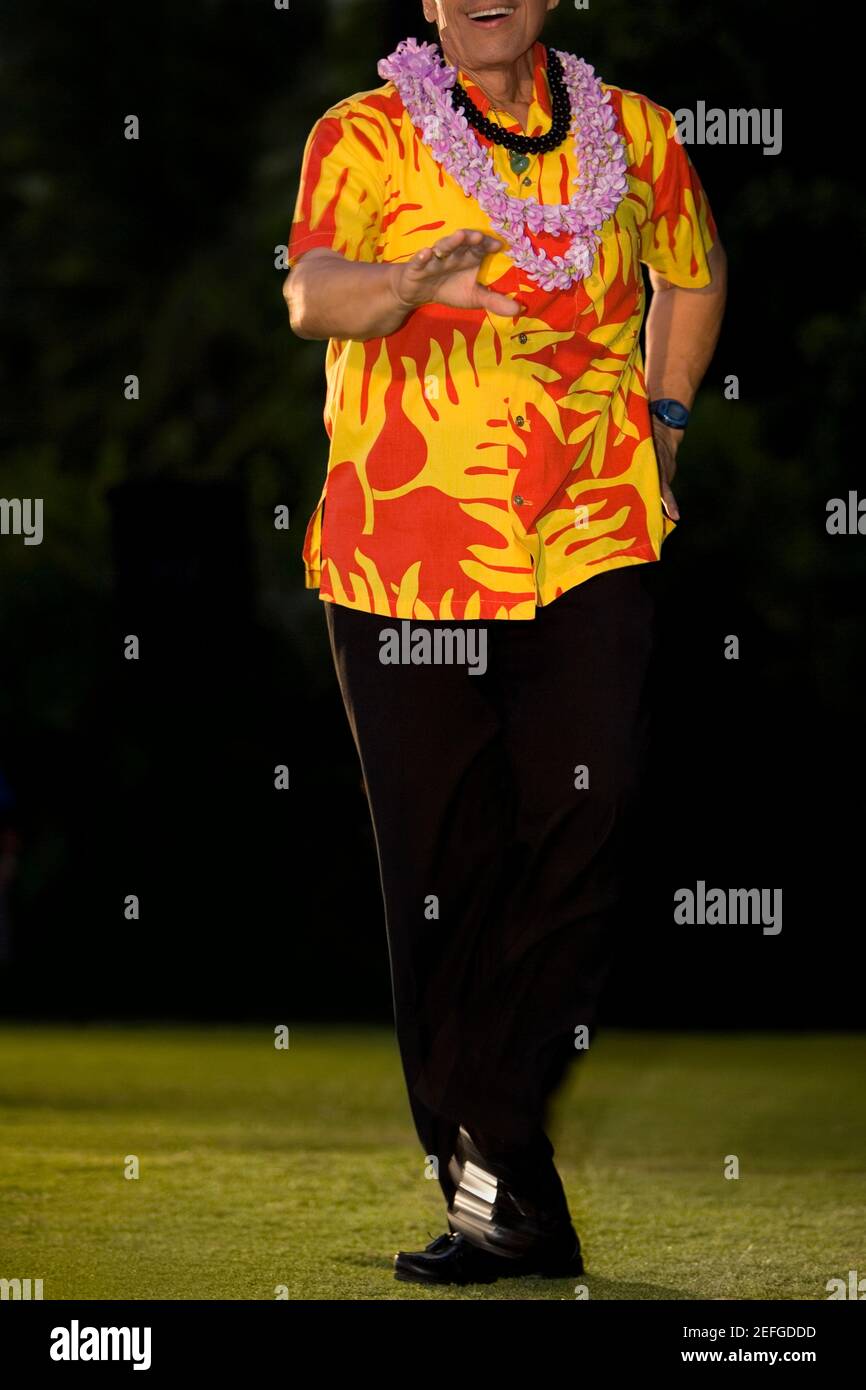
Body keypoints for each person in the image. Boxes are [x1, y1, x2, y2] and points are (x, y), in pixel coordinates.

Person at [284, 0, 726, 1286]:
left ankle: (494, 1127)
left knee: (590, 818)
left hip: (590, 529)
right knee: (443, 868)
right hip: (401, 559)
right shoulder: (359, 132)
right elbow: (312, 292)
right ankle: (507, 1194)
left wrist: (666, 422)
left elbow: (688, 273)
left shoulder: (636, 135)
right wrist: (407, 286)